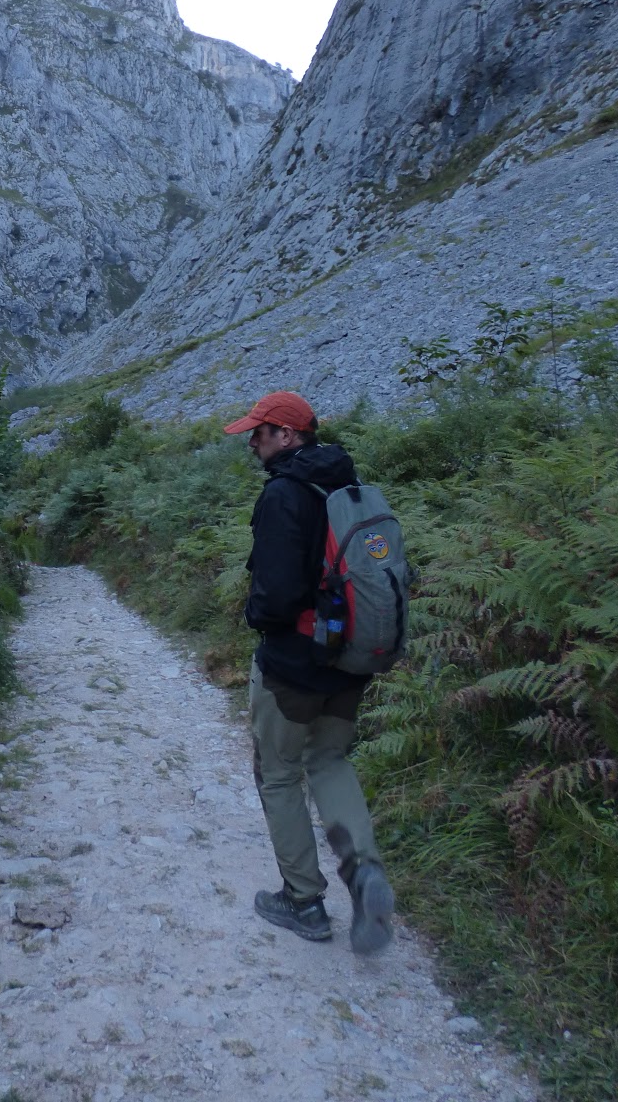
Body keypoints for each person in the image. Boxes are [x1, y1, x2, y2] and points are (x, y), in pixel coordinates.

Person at [225, 389, 394, 954]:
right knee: (329, 759)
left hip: (292, 663)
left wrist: (255, 616)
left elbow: (275, 598)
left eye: (260, 431)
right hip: (349, 659)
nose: (252, 440)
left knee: (278, 773)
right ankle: (364, 871)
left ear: (288, 436)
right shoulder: (346, 484)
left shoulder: (283, 496)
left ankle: (304, 903)